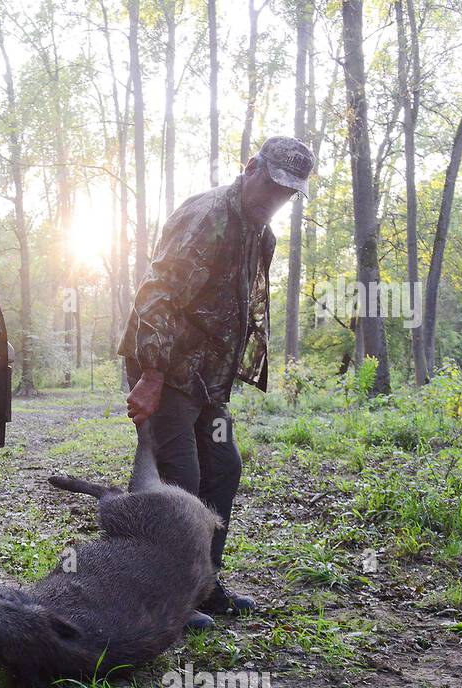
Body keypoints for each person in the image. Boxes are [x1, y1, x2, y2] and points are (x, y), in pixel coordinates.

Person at [119, 135, 314, 630]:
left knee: (223, 469)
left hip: (206, 384)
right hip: (166, 372)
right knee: (179, 482)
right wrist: (151, 375)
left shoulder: (260, 236)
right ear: (250, 168)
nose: (275, 199)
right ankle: (165, 598)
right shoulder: (206, 217)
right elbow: (157, 293)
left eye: (286, 193)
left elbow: (238, 312)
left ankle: (202, 584)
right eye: (270, 185)